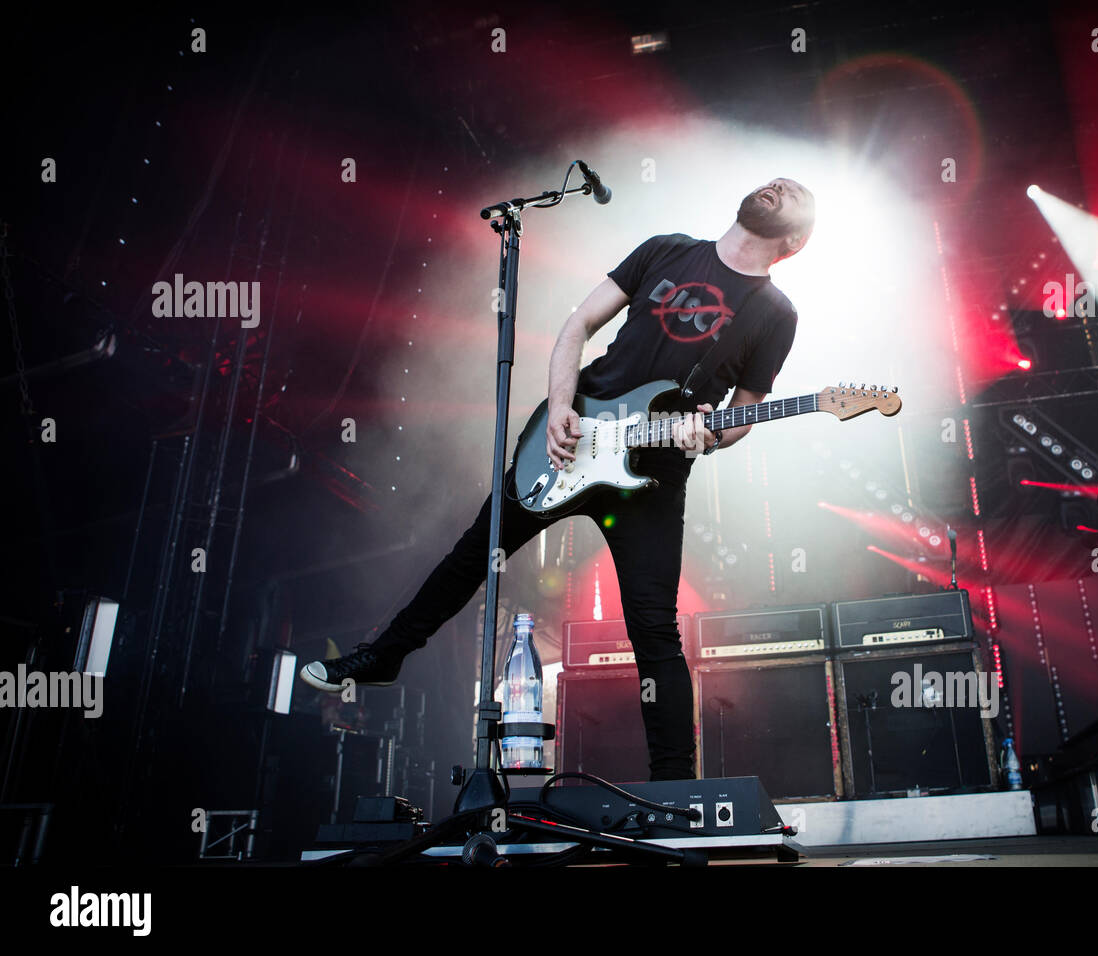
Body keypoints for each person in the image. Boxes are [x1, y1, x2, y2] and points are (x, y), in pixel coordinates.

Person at [301, 178, 815, 780]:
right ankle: (383, 656)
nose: (777, 184)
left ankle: (676, 788)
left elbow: (744, 412)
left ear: (797, 239)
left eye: (793, 192)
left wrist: (710, 433)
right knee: (474, 552)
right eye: (775, 180)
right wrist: (562, 406)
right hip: (572, 439)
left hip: (651, 475)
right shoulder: (666, 249)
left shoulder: (775, 313)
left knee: (653, 626)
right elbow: (578, 325)